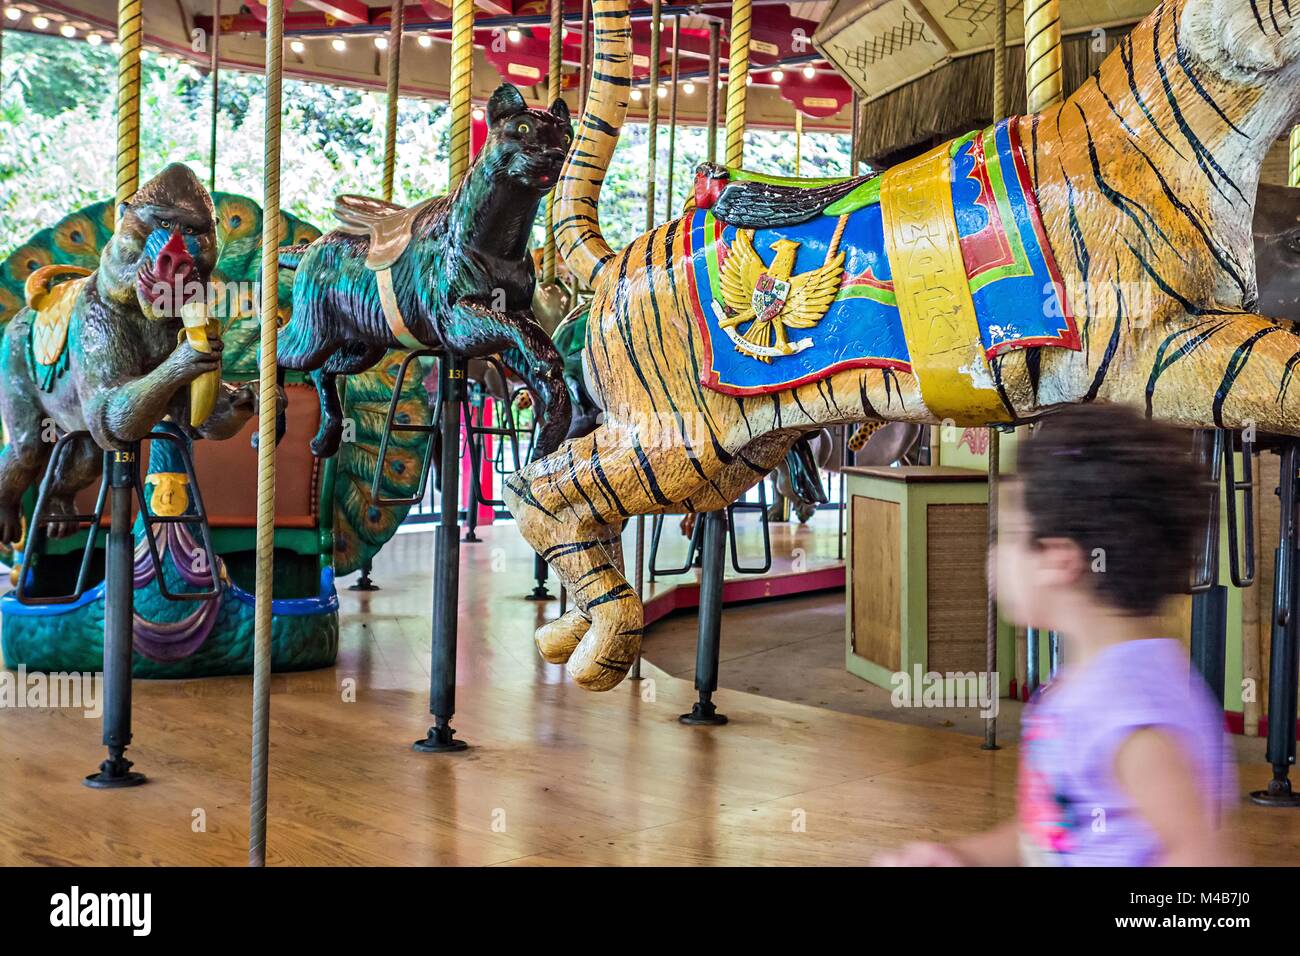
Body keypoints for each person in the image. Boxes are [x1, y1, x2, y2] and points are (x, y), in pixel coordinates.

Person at [877, 405, 1236, 866]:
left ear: (1059, 560)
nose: (993, 557)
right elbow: (1052, 831)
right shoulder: (1090, 685)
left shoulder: (1129, 707)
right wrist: (961, 857)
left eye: (1005, 535)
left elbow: (1203, 859)